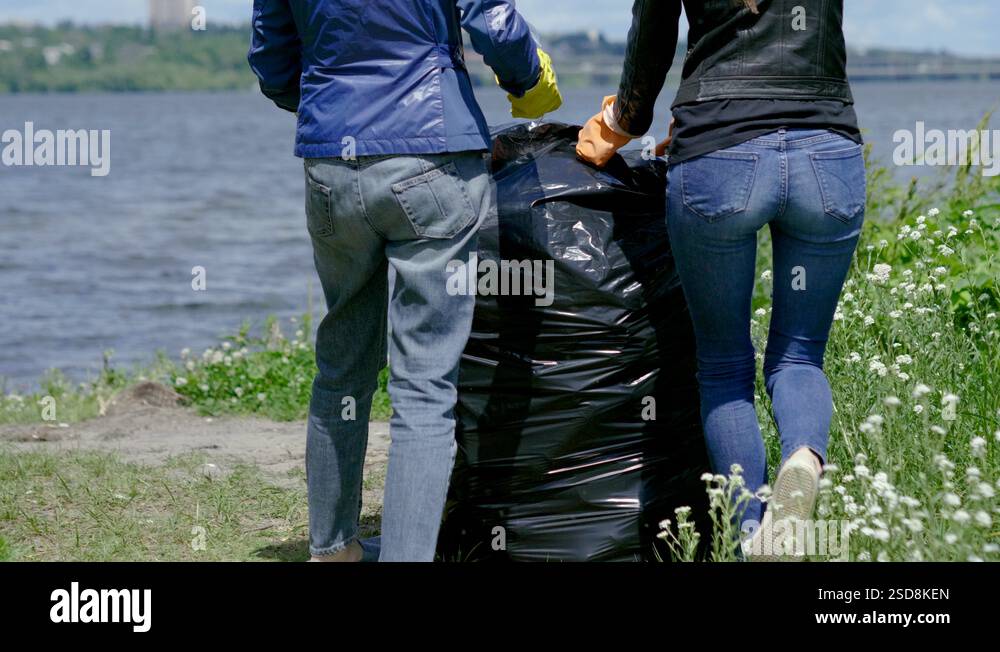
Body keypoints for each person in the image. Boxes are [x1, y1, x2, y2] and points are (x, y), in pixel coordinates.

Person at [249, 0, 562, 562]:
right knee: (424, 384)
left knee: (342, 362)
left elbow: (272, 60)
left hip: (331, 165)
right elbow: (491, 21)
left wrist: (332, 104)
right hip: (433, 155)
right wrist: (530, 79)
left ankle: (333, 549)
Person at [577, 0, 865, 559]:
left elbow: (652, 35)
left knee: (725, 363)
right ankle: (804, 456)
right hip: (828, 155)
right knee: (801, 355)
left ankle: (751, 533)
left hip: (718, 151)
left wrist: (619, 124)